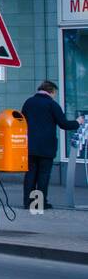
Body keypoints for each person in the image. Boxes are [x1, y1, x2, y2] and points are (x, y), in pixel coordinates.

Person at [20, 80, 83, 210]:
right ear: (52, 91)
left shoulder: (28, 102)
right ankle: (39, 204)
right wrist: (78, 122)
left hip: (29, 146)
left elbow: (22, 121)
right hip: (46, 147)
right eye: (55, 93)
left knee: (30, 174)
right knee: (43, 175)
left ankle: (28, 203)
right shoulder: (52, 104)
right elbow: (64, 124)